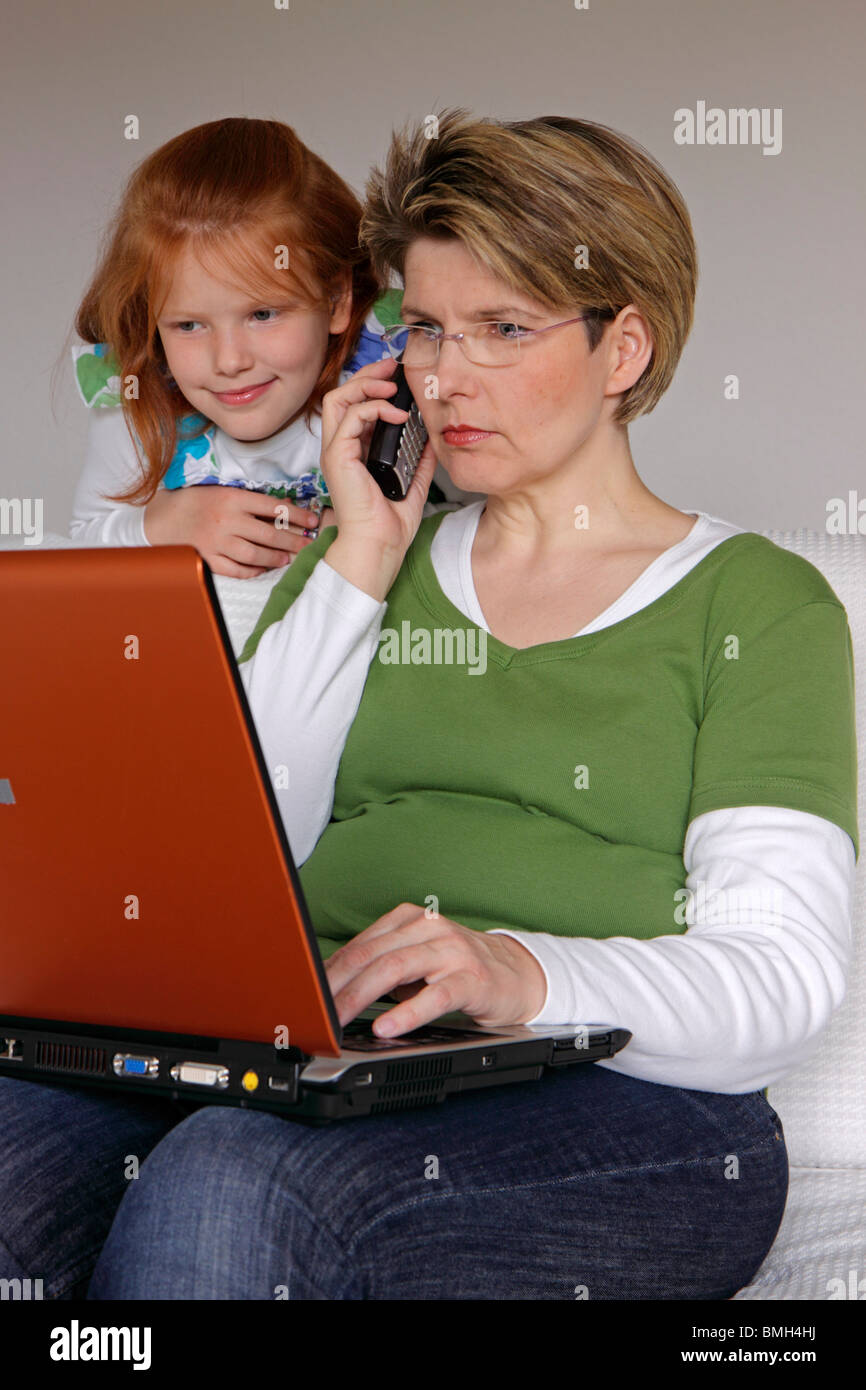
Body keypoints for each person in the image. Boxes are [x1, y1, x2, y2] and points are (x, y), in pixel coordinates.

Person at [0, 110, 856, 1301]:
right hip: (321, 1055)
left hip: (635, 1111)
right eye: (429, 330)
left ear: (622, 350)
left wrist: (519, 969)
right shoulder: (364, 554)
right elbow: (246, 838)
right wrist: (363, 551)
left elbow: (779, 978)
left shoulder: (756, 604)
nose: (444, 377)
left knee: (237, 1186)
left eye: (502, 329)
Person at [63, 115, 456, 576]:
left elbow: (484, 525)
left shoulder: (397, 369)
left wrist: (363, 531)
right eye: (188, 325)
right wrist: (159, 525)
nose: (229, 361)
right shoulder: (139, 396)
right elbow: (80, 546)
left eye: (263, 315)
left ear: (335, 300)